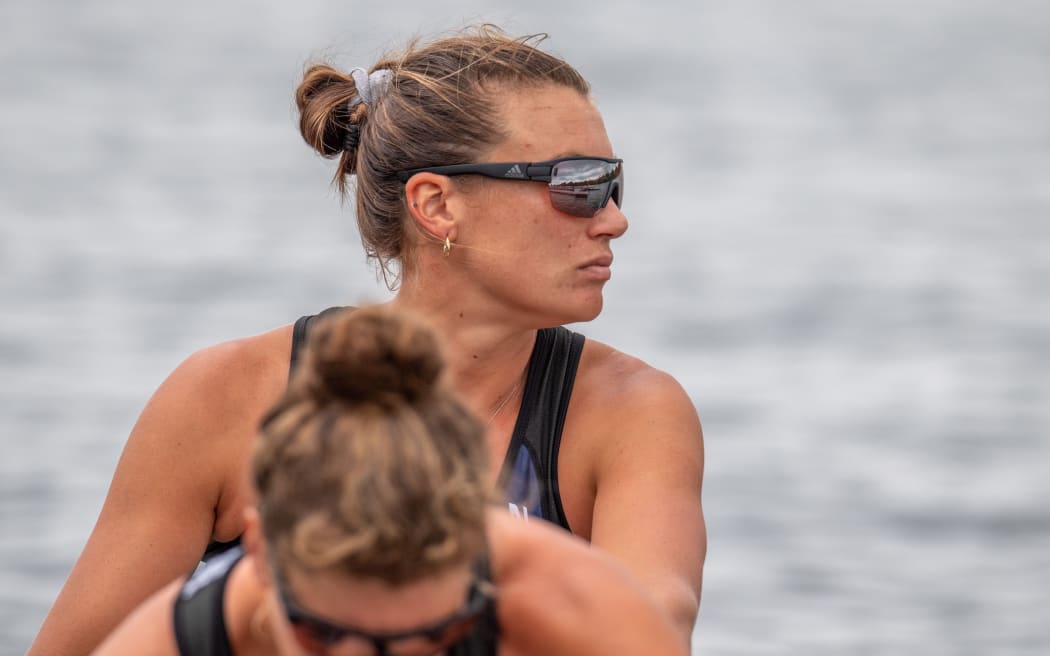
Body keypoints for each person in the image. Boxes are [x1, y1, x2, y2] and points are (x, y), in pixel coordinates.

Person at [32, 25, 705, 655]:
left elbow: (657, 626)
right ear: (435, 204)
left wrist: (420, 558)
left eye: (611, 183)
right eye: (577, 185)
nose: (614, 220)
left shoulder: (633, 413)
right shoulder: (221, 398)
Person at [91, 307, 687, 656]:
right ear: (262, 553)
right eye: (325, 634)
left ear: (478, 564)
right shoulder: (179, 636)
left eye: (431, 639)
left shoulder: (588, 614)